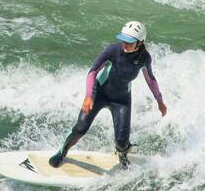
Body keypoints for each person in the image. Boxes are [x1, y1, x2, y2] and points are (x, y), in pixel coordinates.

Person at [49, 20, 167, 169]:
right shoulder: (113, 50)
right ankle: (62, 152)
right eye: (123, 40)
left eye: (129, 42)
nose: (124, 45)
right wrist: (89, 96)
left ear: (140, 43)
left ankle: (122, 153)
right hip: (99, 94)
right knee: (81, 129)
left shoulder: (144, 58)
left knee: (122, 143)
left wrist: (160, 101)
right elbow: (92, 72)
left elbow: (150, 80)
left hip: (121, 100)